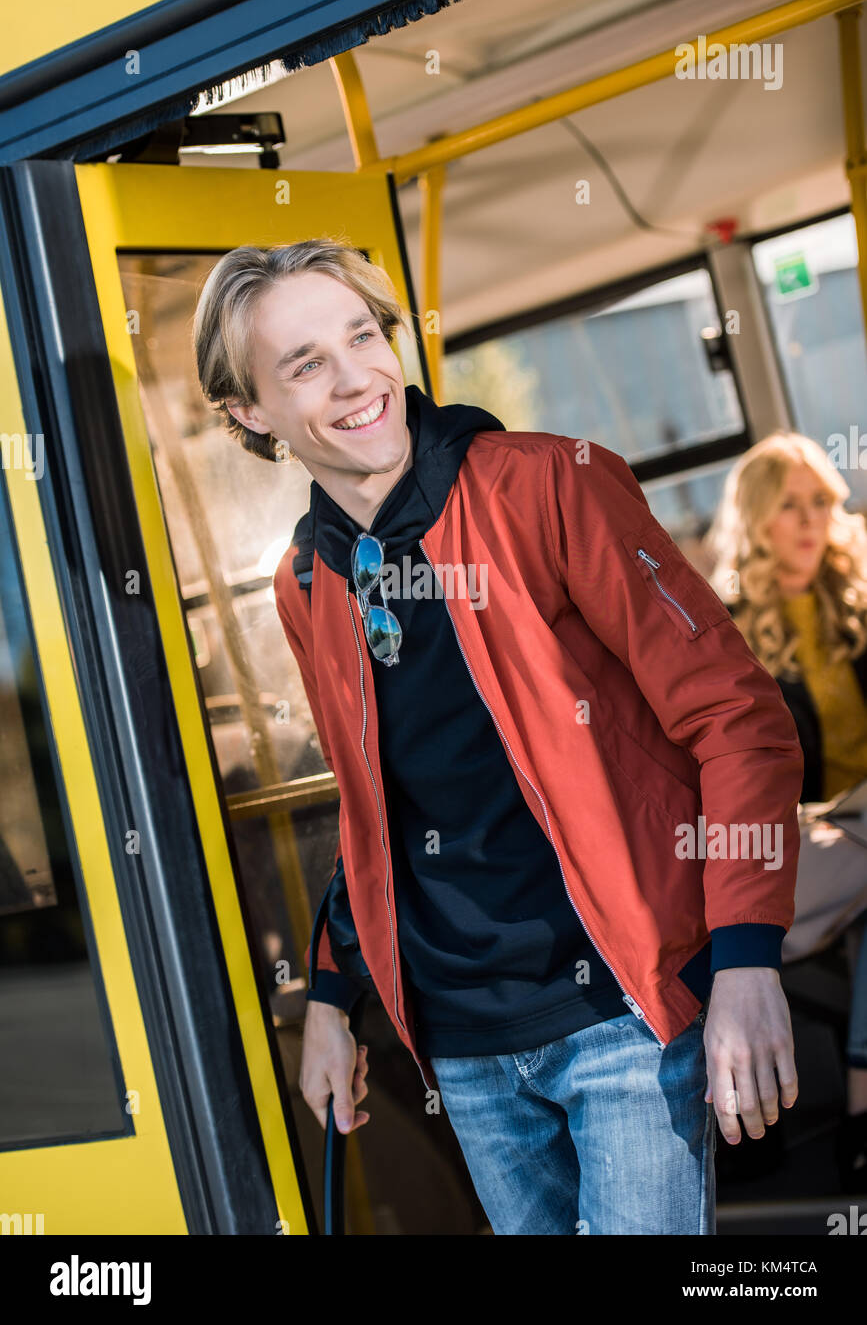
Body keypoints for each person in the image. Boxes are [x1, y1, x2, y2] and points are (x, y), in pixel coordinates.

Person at [193, 238, 804, 1236]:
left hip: (624, 1011)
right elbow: (373, 806)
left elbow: (737, 717)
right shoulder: (306, 583)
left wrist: (745, 958)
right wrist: (335, 1000)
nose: (358, 378)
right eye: (306, 363)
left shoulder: (551, 487)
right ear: (250, 413)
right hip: (466, 1050)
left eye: (363, 335)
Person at [705, 432, 867, 1191]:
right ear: (757, 523)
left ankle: (861, 1107)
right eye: (789, 508)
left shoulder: (855, 607)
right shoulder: (726, 631)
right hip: (793, 845)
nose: (809, 522)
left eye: (818, 505)